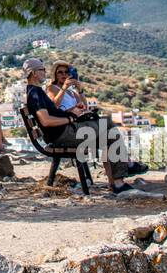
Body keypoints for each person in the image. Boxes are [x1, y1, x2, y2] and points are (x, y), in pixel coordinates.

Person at [22, 58, 147, 194]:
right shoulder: (35, 93)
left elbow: (54, 113)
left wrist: (71, 110)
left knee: (110, 137)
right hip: (63, 135)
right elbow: (46, 121)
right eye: (42, 70)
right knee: (107, 123)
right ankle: (127, 167)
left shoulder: (36, 91)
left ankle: (118, 183)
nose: (45, 72)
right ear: (34, 73)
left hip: (64, 132)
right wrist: (71, 118)